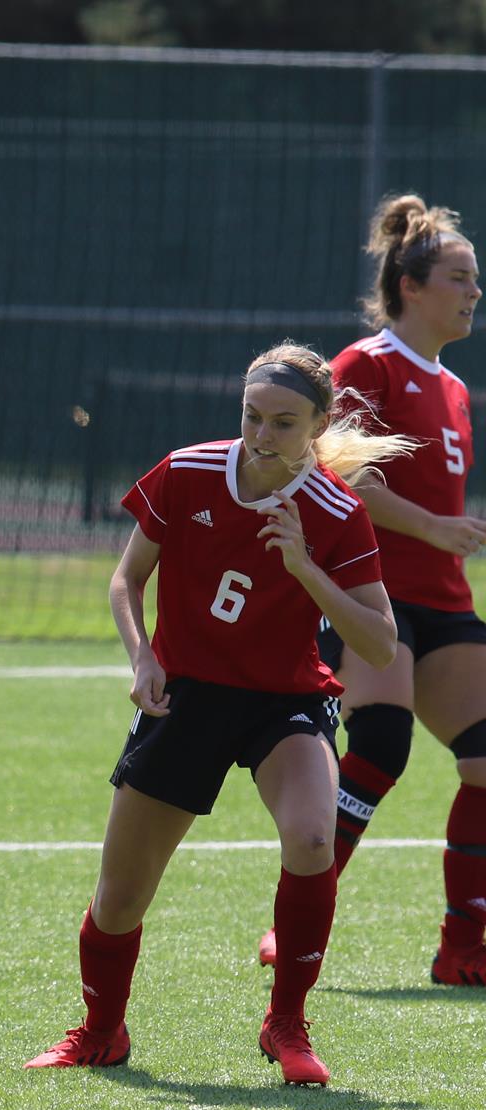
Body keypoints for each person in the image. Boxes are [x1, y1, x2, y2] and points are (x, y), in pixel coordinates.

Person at [28, 343, 413, 1086]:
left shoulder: (336, 512)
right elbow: (126, 579)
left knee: (311, 835)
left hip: (286, 700)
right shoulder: (190, 470)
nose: (262, 435)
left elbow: (379, 638)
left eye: (283, 422)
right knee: (121, 894)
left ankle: (286, 1025)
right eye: (252, 416)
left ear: (317, 425)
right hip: (188, 695)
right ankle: (102, 1032)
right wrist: (142, 656)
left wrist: (307, 568)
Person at [255, 196, 486, 986]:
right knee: (380, 751)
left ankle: (463, 947)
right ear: (411, 285)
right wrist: (429, 524)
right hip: (374, 593)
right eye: (459, 277)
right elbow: (334, 469)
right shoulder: (365, 367)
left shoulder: (453, 389)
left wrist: (442, 533)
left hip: (447, 602)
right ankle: (296, 922)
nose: (473, 292)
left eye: (476, 280)